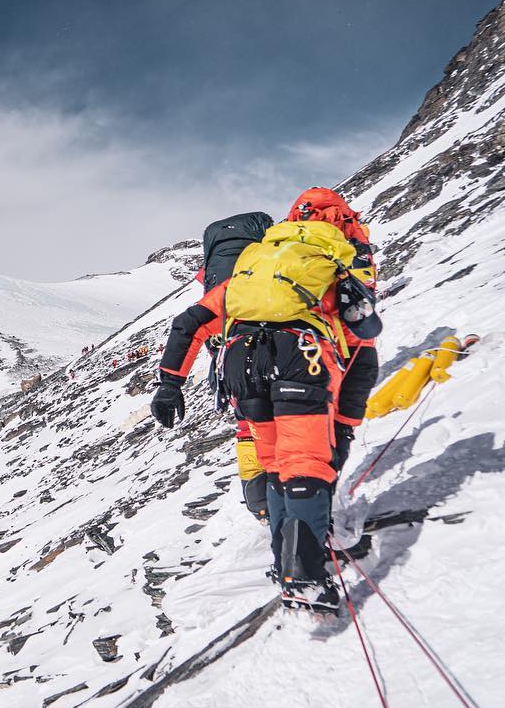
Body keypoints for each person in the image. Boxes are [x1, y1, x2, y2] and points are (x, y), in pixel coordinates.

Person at [157, 189, 379, 613]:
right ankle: (306, 579)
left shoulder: (251, 272)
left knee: (276, 463)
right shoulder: (332, 270)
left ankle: (287, 565)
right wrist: (346, 424)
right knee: (306, 463)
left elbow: (190, 323)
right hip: (300, 360)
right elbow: (363, 350)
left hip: (242, 365)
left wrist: (170, 382)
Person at [152, 212, 275, 521]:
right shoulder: (276, 274)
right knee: (294, 439)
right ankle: (297, 518)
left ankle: (262, 503)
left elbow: (188, 327)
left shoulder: (218, 288)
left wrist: (169, 384)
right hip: (287, 365)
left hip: (234, 370)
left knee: (250, 426)